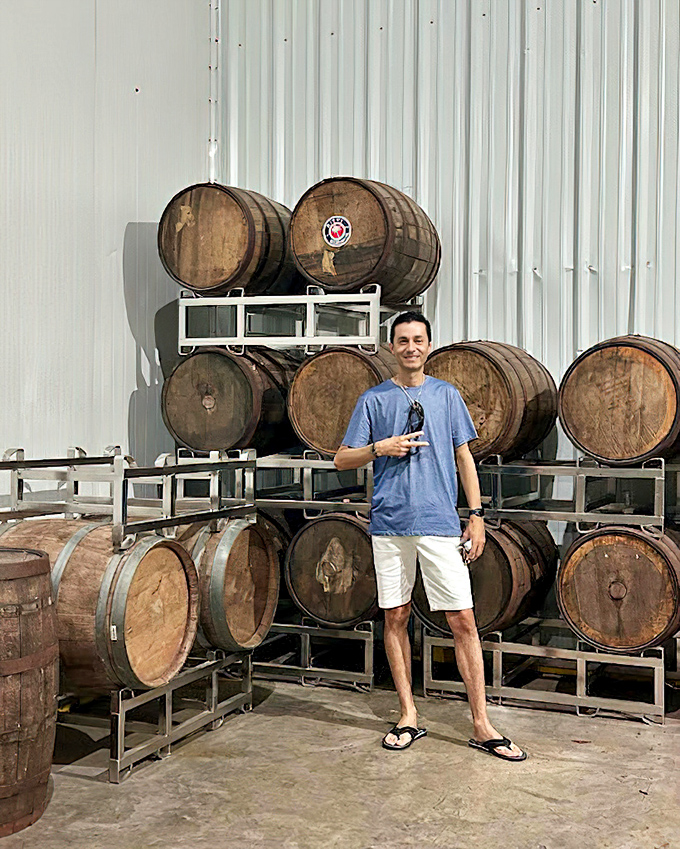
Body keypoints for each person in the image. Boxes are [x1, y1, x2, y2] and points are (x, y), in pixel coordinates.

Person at [334, 311, 526, 761]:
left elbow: (464, 458)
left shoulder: (447, 396)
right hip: (389, 524)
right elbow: (342, 459)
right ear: (392, 347)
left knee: (463, 621)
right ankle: (408, 714)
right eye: (402, 341)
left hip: (440, 523)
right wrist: (380, 447)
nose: (410, 348)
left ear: (429, 346)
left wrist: (475, 516)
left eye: (418, 340)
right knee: (395, 617)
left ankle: (481, 723)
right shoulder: (374, 400)